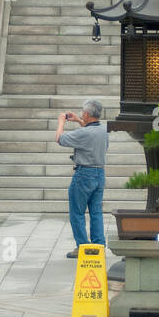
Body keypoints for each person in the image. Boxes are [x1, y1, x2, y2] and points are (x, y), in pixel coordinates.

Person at [55, 100, 109, 258]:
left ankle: (82, 246)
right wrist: (79, 121)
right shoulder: (105, 129)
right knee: (96, 212)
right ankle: (99, 245)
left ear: (86, 114)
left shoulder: (83, 133)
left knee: (77, 212)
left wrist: (61, 121)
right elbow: (90, 132)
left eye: (82, 113)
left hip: (84, 174)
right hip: (100, 174)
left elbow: (59, 139)